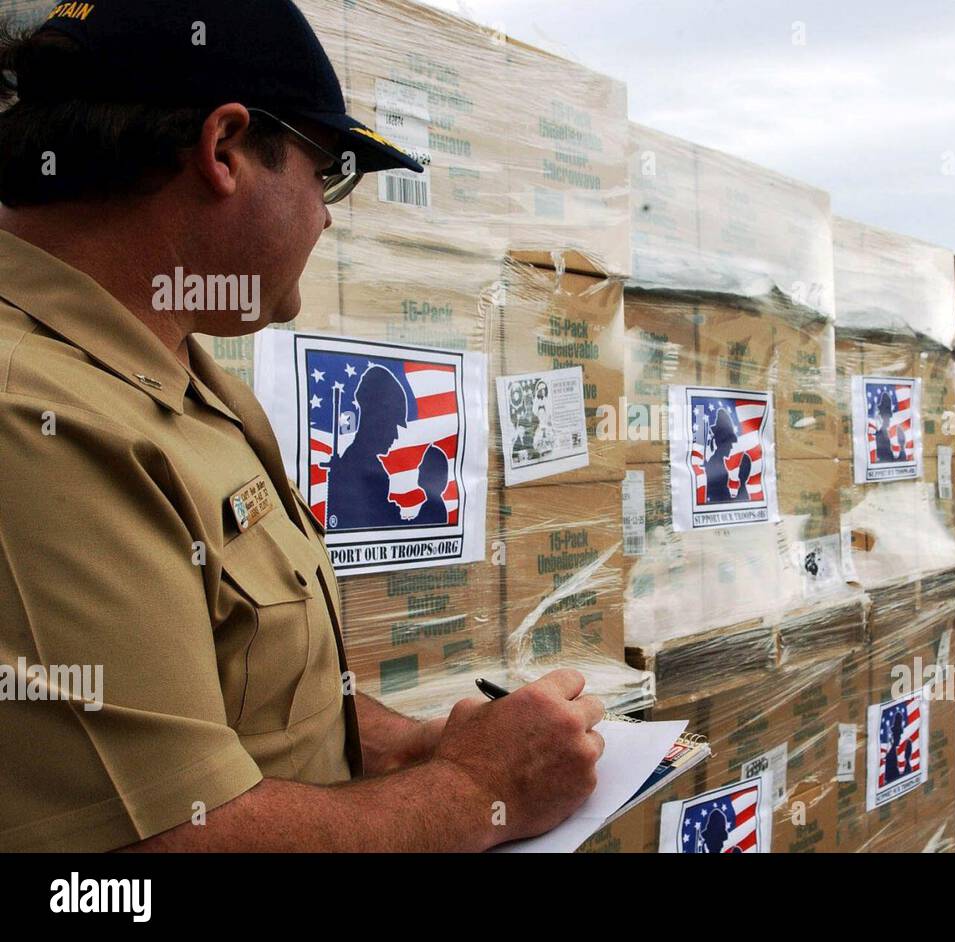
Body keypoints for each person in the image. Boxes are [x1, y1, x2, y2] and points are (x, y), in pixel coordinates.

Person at [0, 0, 603, 852]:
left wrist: (411, 744)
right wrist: (476, 789)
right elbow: (158, 846)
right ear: (224, 150)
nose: (326, 215)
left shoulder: (177, 373)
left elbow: (226, 688)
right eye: (328, 174)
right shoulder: (35, 422)